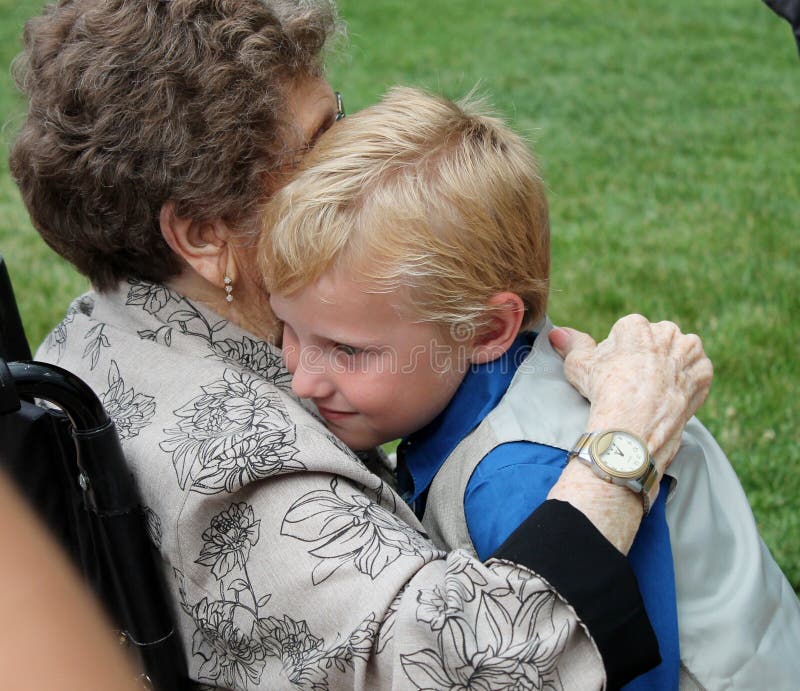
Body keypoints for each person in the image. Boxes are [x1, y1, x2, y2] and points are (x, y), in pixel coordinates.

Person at [10, 1, 712, 688]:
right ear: (201, 234)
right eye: (320, 139)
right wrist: (626, 440)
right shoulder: (246, 470)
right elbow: (485, 666)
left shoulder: (101, 327)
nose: (354, 143)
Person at [262, 86, 800, 690]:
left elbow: (618, 668)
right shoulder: (475, 385)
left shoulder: (521, 479)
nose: (302, 377)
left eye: (347, 350)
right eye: (287, 327)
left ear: (488, 329)